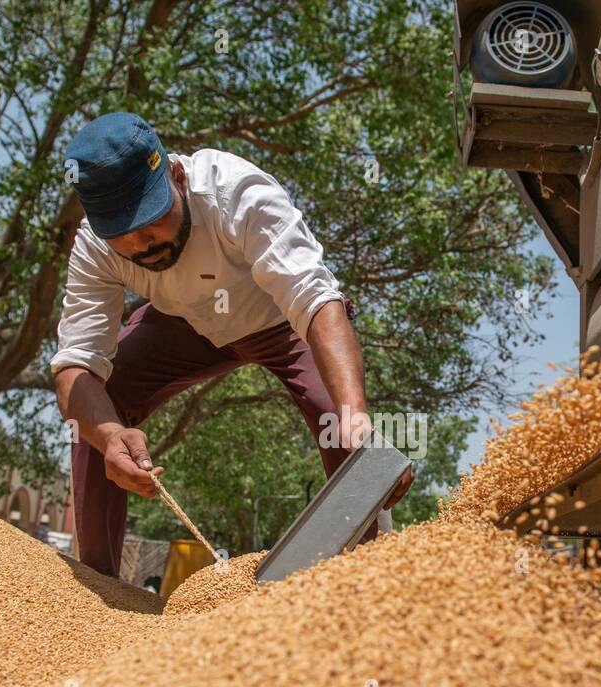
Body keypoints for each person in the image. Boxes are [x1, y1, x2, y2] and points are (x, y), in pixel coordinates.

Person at [51, 113, 411, 576]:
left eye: (151, 222)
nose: (143, 247)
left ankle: (365, 577)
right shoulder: (93, 246)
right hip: (183, 327)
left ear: (176, 176)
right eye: (123, 238)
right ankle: (98, 588)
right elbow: (75, 367)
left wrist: (355, 416)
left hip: (280, 322)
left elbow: (316, 299)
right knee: (96, 410)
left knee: (340, 424)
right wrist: (108, 435)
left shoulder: (236, 191)